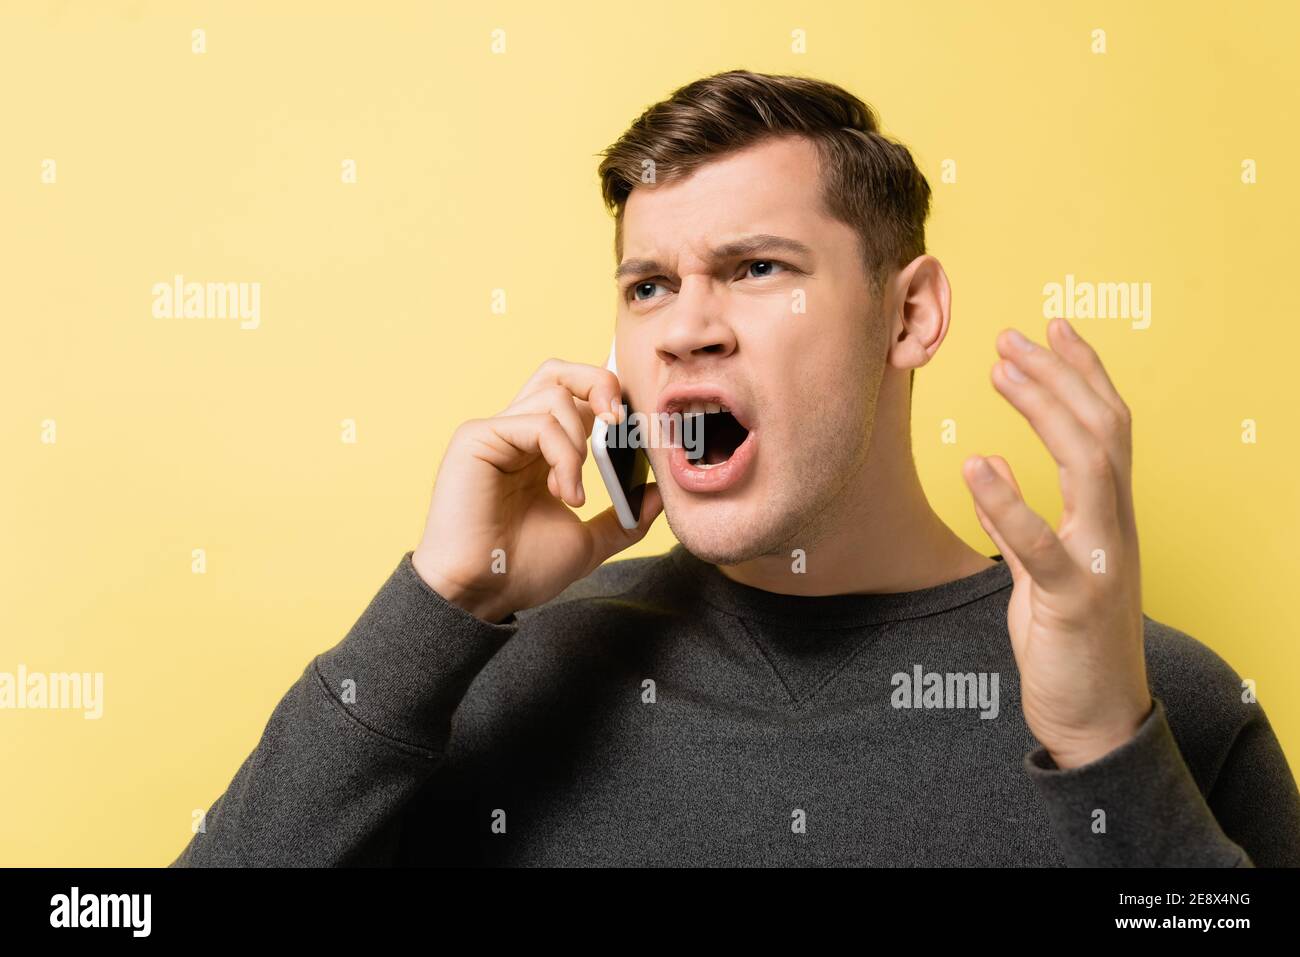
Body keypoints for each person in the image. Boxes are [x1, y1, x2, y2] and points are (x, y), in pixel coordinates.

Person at [172, 69, 1300, 867]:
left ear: (908, 315)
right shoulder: (500, 677)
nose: (681, 331)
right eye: (647, 285)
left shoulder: (1158, 702)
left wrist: (1107, 752)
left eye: (755, 269)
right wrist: (439, 607)